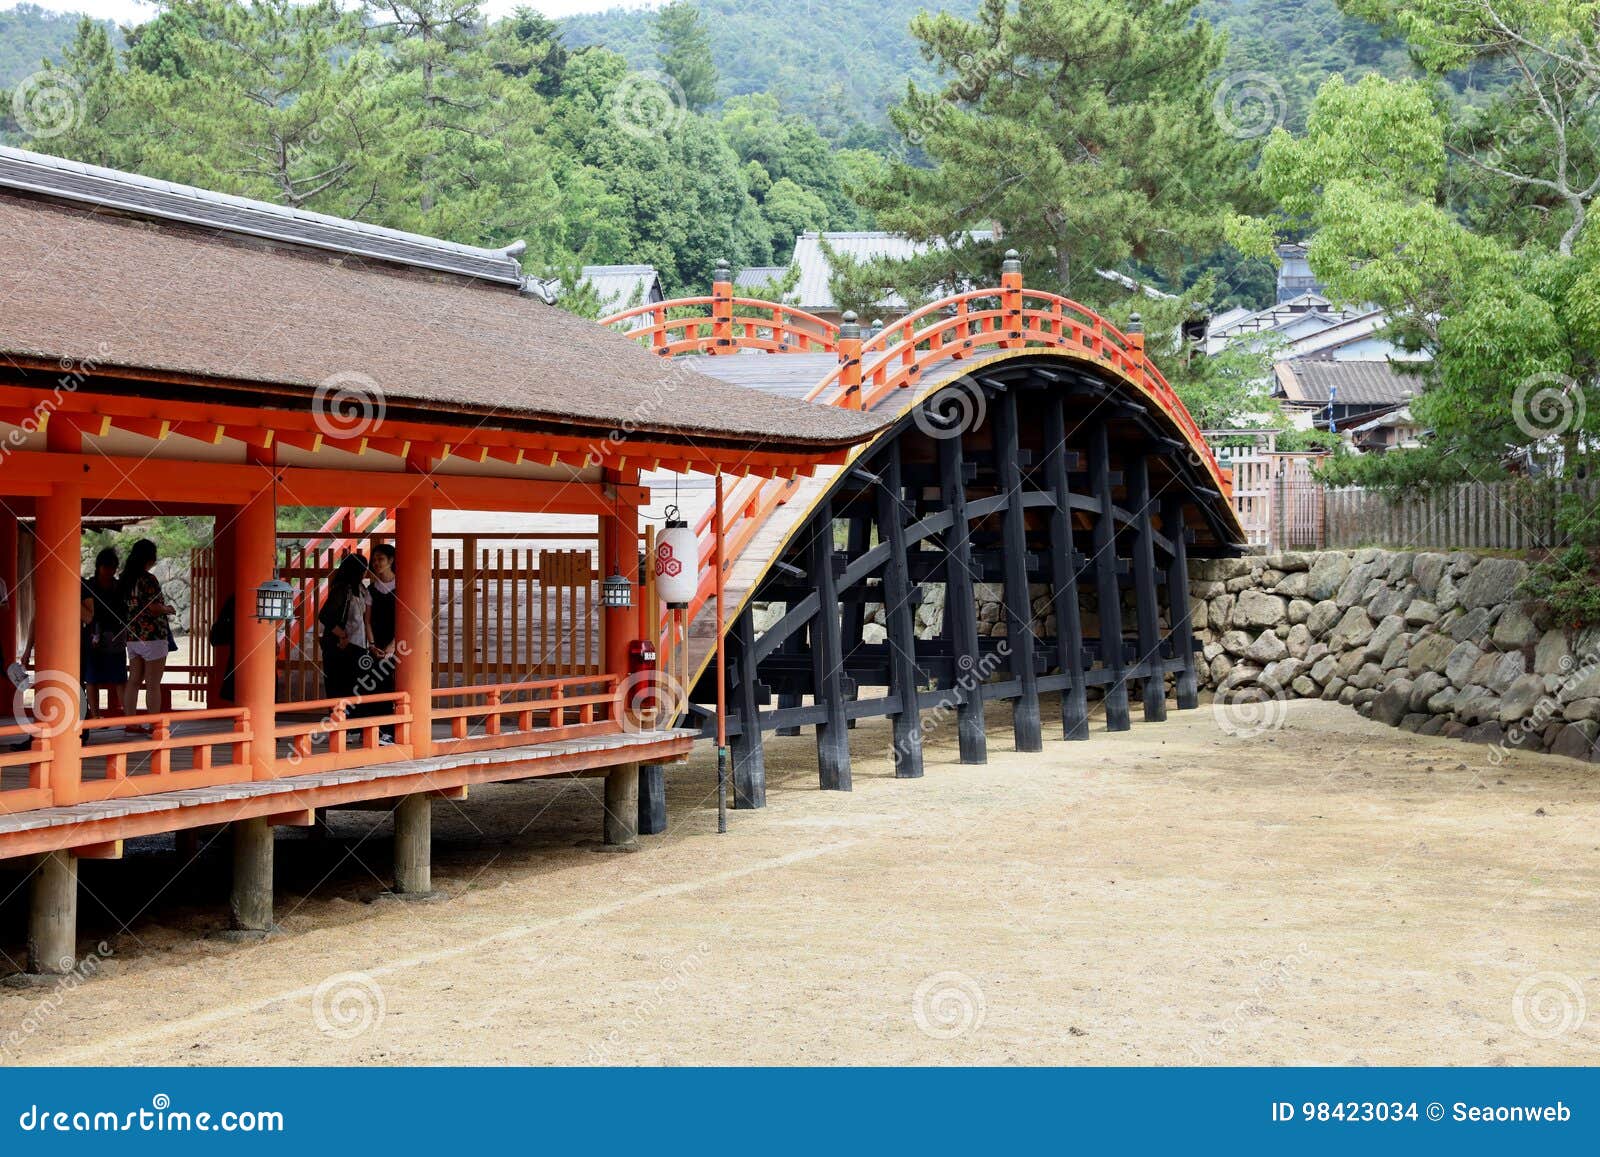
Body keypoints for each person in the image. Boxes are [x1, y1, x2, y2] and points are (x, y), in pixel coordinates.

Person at [118, 539, 175, 733]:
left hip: (132, 636)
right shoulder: (148, 579)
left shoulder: (125, 579)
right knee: (153, 684)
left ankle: (130, 721)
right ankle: (154, 724)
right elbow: (154, 607)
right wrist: (168, 609)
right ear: (149, 557)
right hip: (152, 636)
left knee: (133, 680)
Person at [358, 543, 398, 745]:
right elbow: (367, 620)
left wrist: (394, 644)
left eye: (380, 559)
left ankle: (393, 730)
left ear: (391, 560)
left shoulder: (402, 585)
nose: (376, 563)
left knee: (394, 687)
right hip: (377, 644)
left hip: (400, 643)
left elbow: (406, 619)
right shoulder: (370, 590)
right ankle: (381, 730)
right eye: (374, 560)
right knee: (375, 685)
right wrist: (372, 644)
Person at [82, 546, 126, 718]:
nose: (110, 571)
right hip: (93, 635)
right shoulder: (88, 585)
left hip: (116, 636)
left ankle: (129, 716)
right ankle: (94, 714)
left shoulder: (119, 586)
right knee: (92, 678)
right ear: (99, 566)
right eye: (106, 567)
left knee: (120, 678)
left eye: (113, 567)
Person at [319, 553, 368, 703]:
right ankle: (341, 722)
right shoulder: (342, 589)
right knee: (341, 687)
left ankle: (350, 723)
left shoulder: (360, 588)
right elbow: (325, 616)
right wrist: (342, 636)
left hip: (358, 645)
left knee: (353, 687)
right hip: (342, 646)